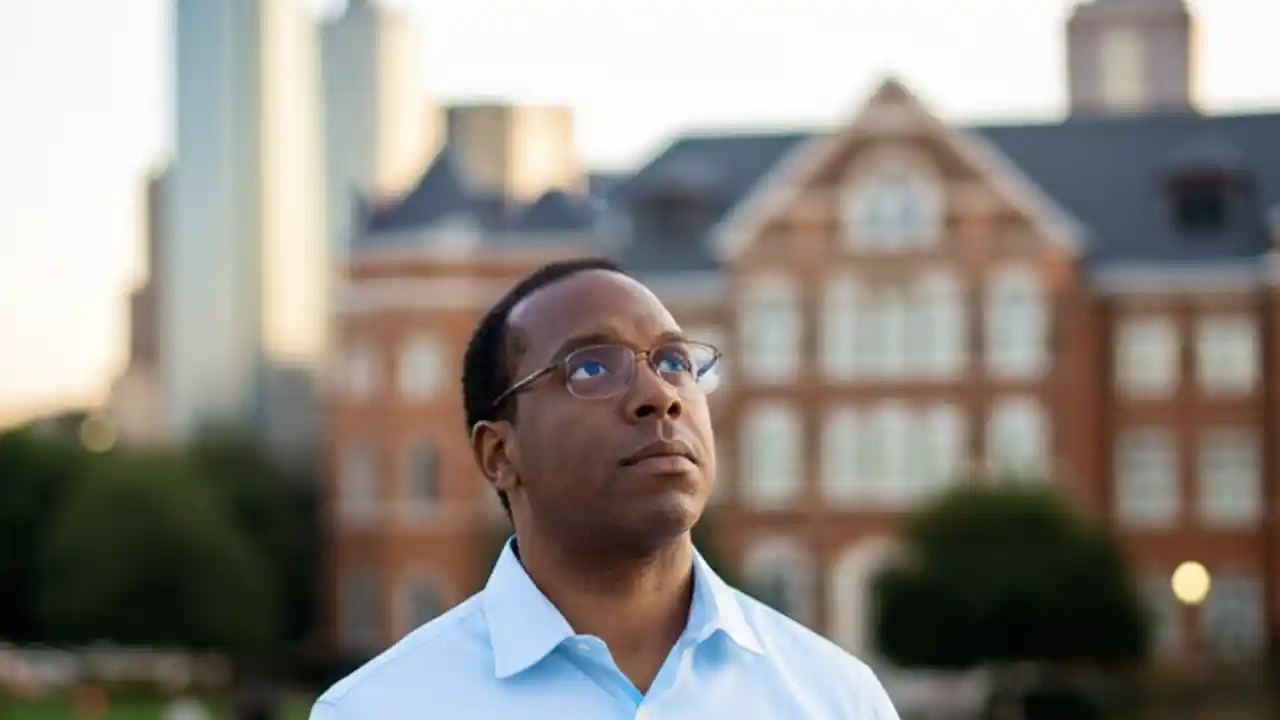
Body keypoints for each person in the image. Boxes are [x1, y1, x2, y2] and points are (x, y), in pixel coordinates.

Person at [311, 258, 900, 719]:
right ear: (499, 454)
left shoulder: (837, 699)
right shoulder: (378, 710)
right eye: (592, 367)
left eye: (675, 362)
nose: (660, 395)